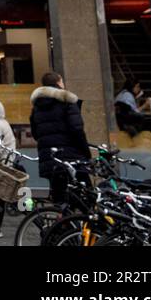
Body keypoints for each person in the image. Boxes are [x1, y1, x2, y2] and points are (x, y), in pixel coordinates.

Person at [30, 72, 90, 204]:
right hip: (71, 159)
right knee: (86, 198)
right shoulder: (67, 102)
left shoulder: (37, 107)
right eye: (62, 81)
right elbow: (77, 130)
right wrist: (86, 153)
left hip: (50, 160)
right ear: (58, 83)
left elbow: (36, 134)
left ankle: (62, 223)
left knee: (59, 200)